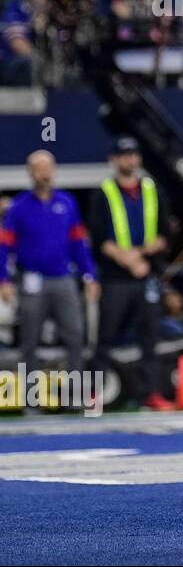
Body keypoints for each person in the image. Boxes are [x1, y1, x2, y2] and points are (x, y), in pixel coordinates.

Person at [86, 136, 175, 410]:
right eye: (124, 155)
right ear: (113, 159)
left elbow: (165, 231)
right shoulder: (104, 193)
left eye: (133, 154)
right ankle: (93, 394)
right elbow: (99, 237)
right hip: (116, 277)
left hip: (146, 274)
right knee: (106, 337)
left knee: (149, 337)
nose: (130, 160)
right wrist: (128, 259)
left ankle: (150, 393)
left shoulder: (152, 189)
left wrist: (147, 253)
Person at [0, 151, 98, 389]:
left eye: (48, 168)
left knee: (75, 336)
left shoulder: (67, 203)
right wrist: (3, 280)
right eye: (39, 168)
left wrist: (90, 275)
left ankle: (75, 397)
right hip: (32, 280)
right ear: (30, 172)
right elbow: (4, 246)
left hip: (64, 279)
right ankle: (32, 400)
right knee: (29, 340)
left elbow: (78, 243)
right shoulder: (19, 207)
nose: (44, 173)